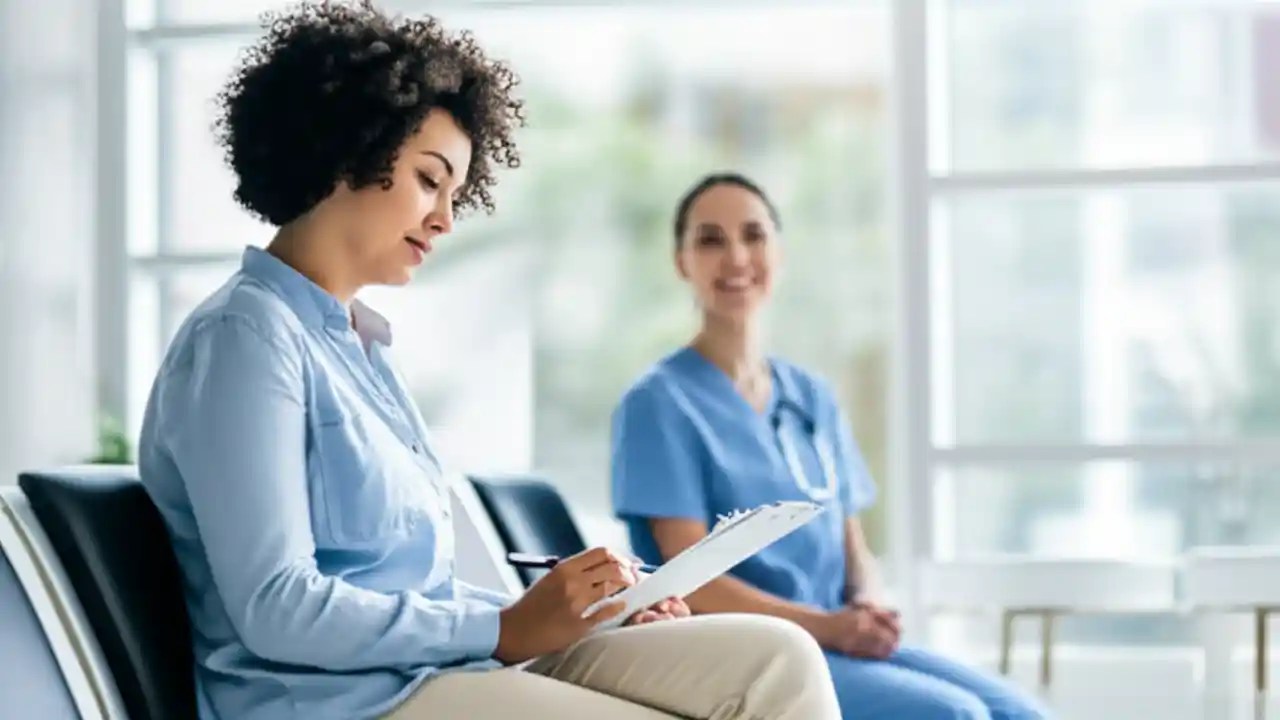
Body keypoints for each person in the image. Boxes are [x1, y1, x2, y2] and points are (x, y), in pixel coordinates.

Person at [136, 6, 840, 720]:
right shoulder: (245, 338)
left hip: (433, 671)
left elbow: (421, 591)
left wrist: (580, 612)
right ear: (347, 150)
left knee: (778, 660)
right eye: (428, 179)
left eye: (455, 192)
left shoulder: (358, 347)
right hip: (341, 704)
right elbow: (276, 607)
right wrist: (503, 628)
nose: (445, 217)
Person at [610, 173, 1051, 720]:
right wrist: (828, 628)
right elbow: (689, 577)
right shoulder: (659, 404)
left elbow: (850, 540)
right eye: (710, 240)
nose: (737, 256)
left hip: (836, 637)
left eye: (754, 235)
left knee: (1024, 713)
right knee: (955, 716)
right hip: (750, 651)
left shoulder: (810, 396)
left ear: (779, 252)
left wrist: (868, 602)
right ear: (681, 263)